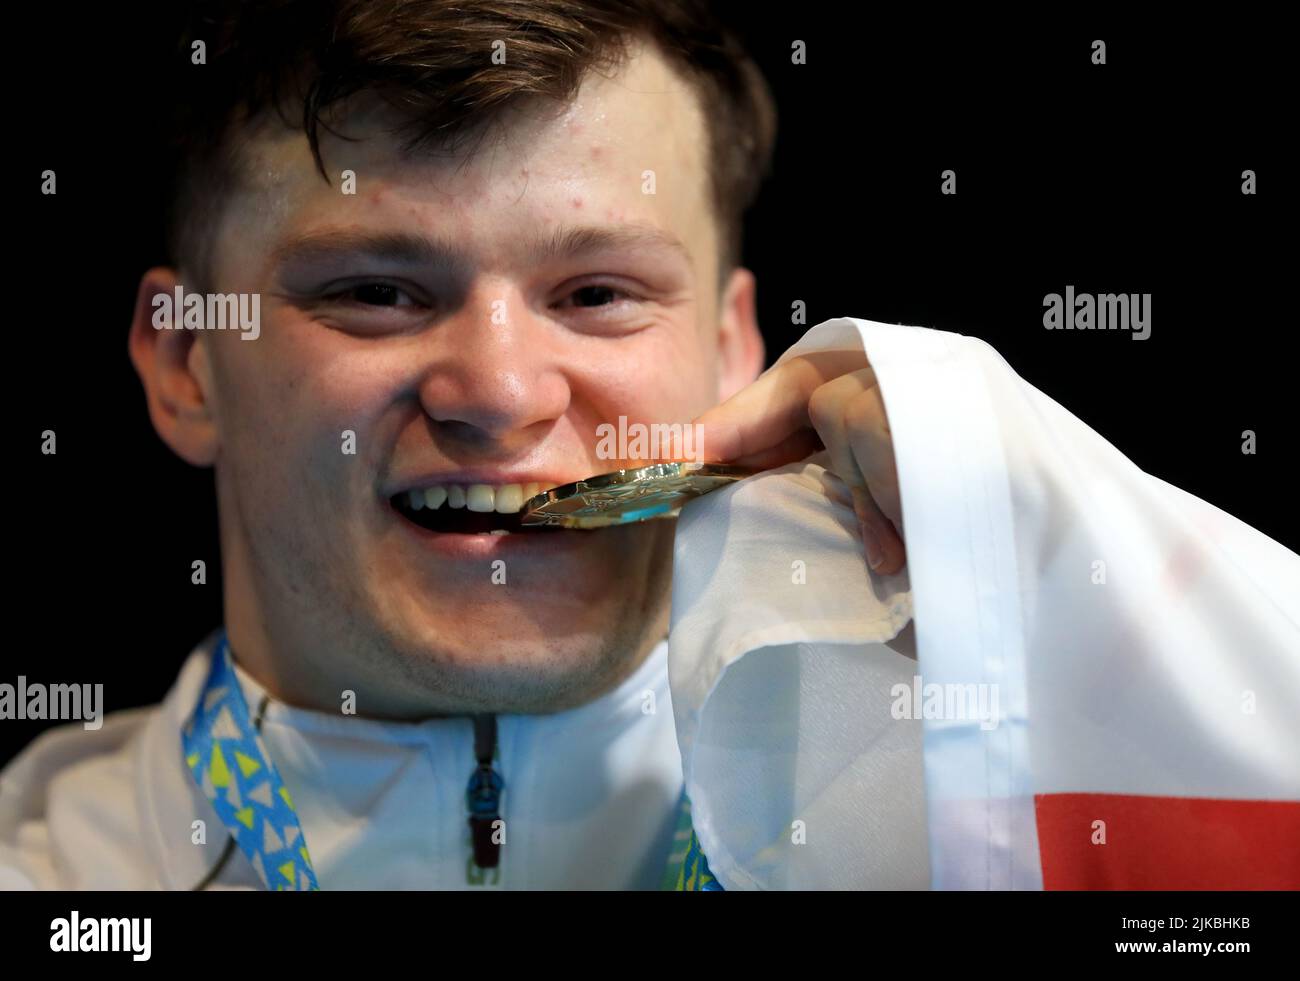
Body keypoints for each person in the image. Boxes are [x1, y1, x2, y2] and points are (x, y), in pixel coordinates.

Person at [3, 1, 1295, 891]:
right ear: (186, 361)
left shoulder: (980, 836)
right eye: (377, 291)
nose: (498, 392)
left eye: (598, 294)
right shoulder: (44, 878)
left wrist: (1095, 592)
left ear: (739, 357)